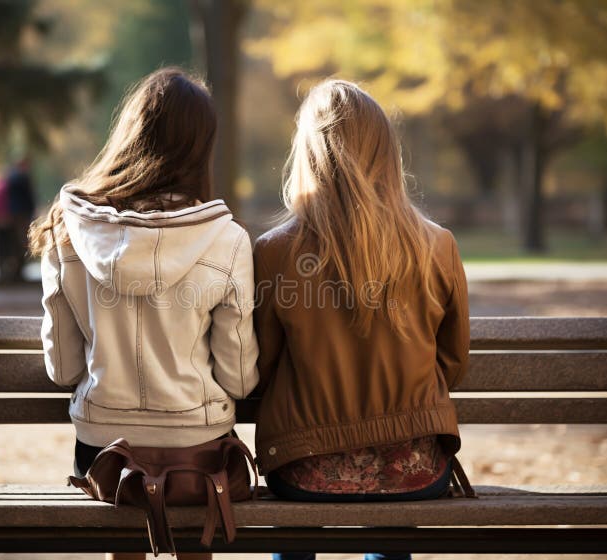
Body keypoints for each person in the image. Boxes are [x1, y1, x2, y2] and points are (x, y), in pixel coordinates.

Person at [28, 68, 259, 560]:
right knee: (198, 522)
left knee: (122, 514)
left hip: (105, 451)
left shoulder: (68, 233)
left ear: (128, 137)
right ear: (202, 149)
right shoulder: (227, 239)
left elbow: (63, 369)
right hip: (197, 450)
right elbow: (239, 379)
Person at [253, 80, 472, 560]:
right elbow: (453, 361)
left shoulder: (274, 253)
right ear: (386, 152)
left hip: (303, 467)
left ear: (310, 152)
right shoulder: (437, 246)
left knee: (291, 538)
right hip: (414, 467)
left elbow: (262, 365)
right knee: (391, 528)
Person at [4, 158, 36, 282]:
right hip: (22, 215)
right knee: (22, 243)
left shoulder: (10, 177)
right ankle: (18, 271)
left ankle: (15, 271)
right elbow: (28, 198)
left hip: (13, 214)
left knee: (14, 243)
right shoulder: (22, 178)